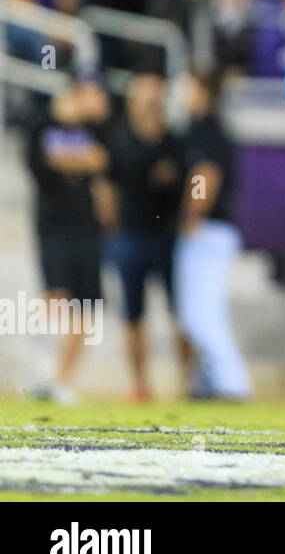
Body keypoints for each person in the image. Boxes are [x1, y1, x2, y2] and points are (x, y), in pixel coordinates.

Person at [103, 73, 191, 401]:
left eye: (155, 97)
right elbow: (106, 187)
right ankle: (139, 383)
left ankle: (188, 381)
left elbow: (192, 182)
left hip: (168, 238)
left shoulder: (175, 140)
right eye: (145, 96)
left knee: (181, 312)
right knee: (133, 314)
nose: (151, 103)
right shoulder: (119, 139)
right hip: (130, 236)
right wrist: (112, 230)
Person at [24, 79, 111, 402]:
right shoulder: (43, 124)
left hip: (88, 228)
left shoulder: (100, 129)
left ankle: (62, 380)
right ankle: (43, 370)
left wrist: (67, 158)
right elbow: (40, 166)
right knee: (55, 297)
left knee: (85, 306)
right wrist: (81, 159)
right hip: (53, 224)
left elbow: (104, 162)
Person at [175, 70, 252, 400]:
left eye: (187, 85)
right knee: (198, 311)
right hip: (216, 228)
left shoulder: (205, 127)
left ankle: (232, 382)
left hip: (207, 228)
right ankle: (209, 381)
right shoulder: (212, 125)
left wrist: (193, 213)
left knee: (200, 312)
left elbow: (203, 175)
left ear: (202, 90)